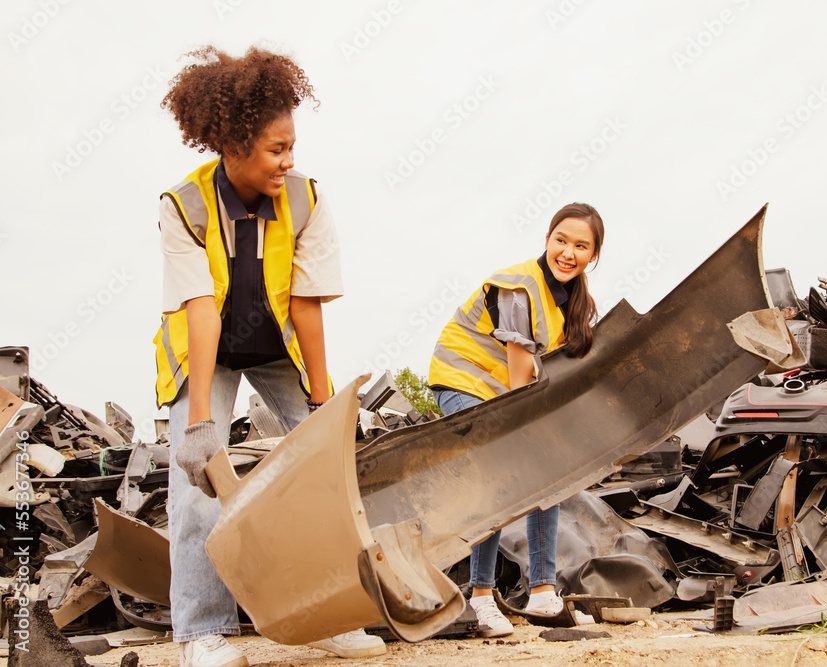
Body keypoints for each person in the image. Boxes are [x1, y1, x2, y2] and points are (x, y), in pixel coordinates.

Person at [155, 46, 385, 667]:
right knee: (196, 487)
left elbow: (308, 306)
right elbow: (201, 311)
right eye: (276, 150)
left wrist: (320, 401)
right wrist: (201, 422)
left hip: (278, 345)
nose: (289, 161)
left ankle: (332, 615)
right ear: (232, 146)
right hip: (206, 354)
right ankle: (204, 633)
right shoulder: (185, 206)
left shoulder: (307, 200)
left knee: (325, 483)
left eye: (292, 147)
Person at [428, 202, 605, 637]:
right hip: (464, 380)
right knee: (496, 477)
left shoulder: (575, 301)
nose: (568, 252)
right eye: (560, 240)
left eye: (581, 246)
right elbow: (519, 369)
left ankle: (544, 592)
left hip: (506, 389)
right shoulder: (518, 286)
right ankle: (481, 597)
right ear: (546, 240)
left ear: (593, 255)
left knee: (548, 471)